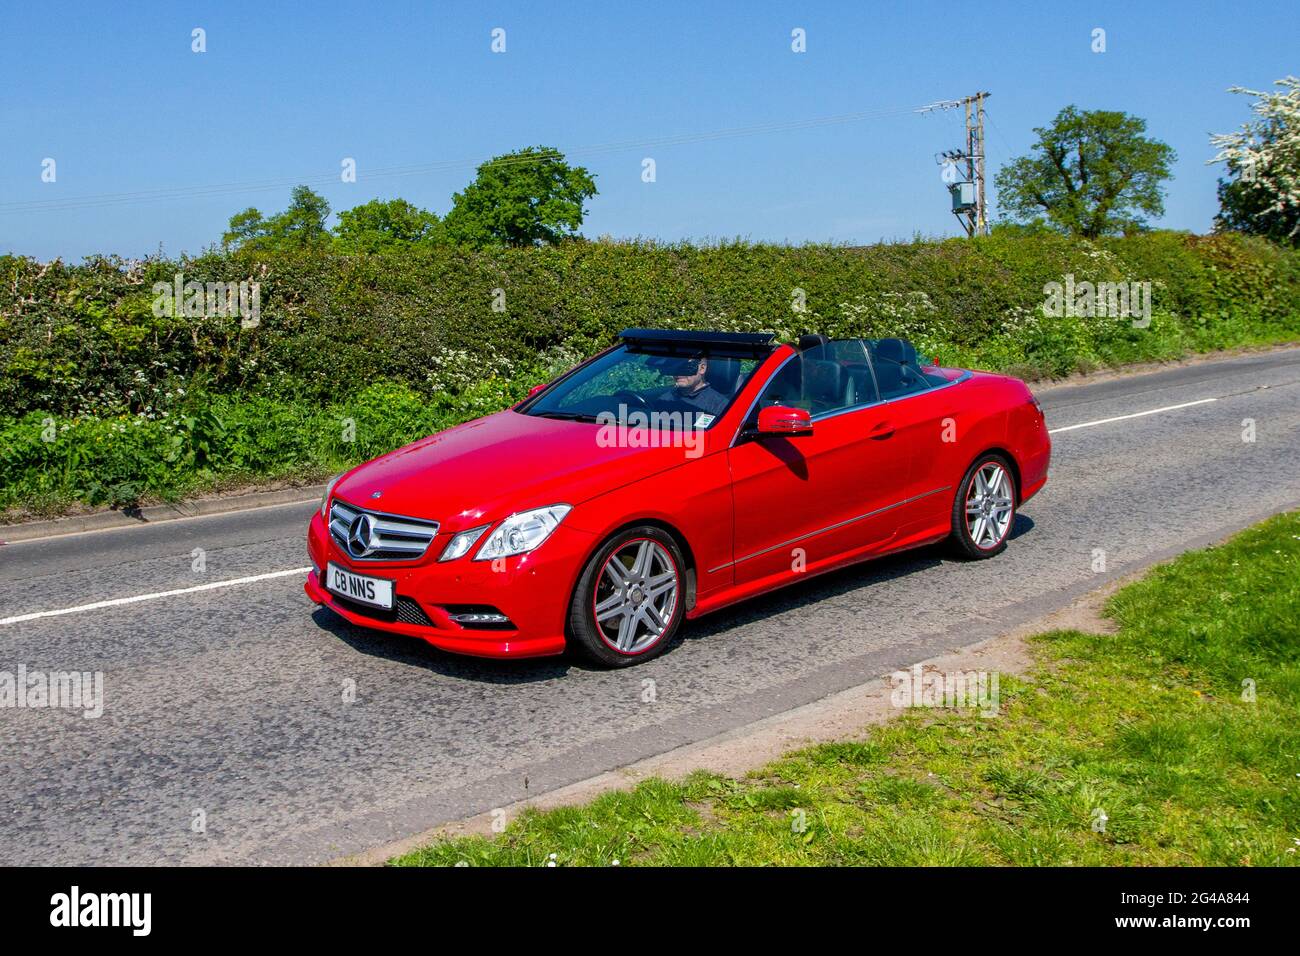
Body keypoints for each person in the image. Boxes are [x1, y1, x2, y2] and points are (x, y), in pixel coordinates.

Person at [656, 354, 728, 419]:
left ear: (702, 368)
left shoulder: (719, 405)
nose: (678, 373)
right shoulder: (664, 399)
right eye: (675, 367)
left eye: (684, 367)